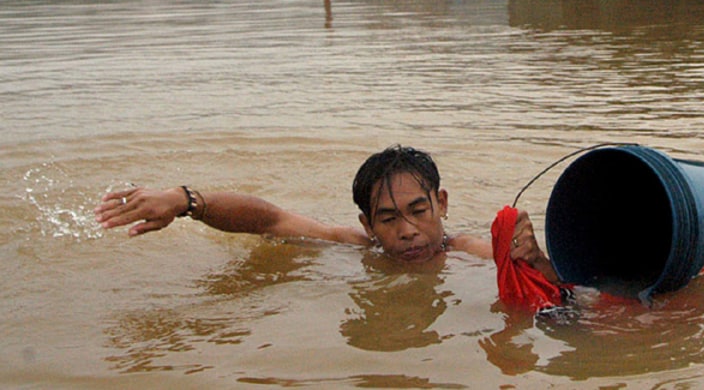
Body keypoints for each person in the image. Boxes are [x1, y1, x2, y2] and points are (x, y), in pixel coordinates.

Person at [94, 144, 559, 284]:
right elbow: (270, 220)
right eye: (389, 219)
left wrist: (535, 261)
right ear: (367, 225)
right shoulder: (357, 247)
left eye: (419, 211)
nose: (409, 231)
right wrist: (186, 201)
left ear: (442, 204)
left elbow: (568, 291)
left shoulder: (473, 254)